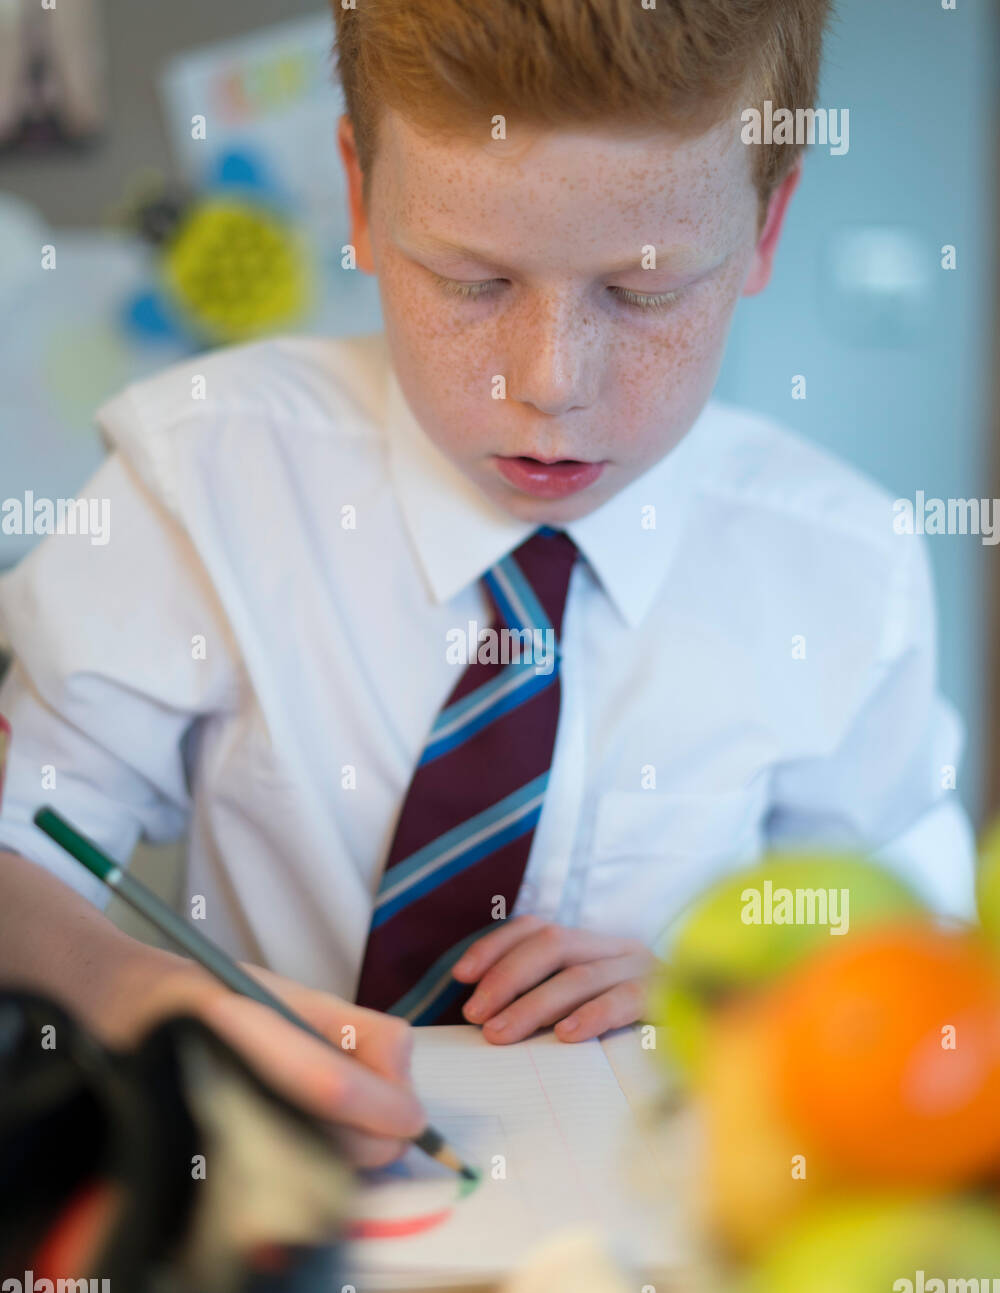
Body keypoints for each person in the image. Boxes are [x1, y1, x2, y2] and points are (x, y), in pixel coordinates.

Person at [0, 0, 974, 1165]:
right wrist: (144, 995)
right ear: (361, 198)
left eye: (646, 290)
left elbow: (916, 953)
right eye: (468, 279)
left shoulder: (841, 570)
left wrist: (726, 993)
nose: (550, 382)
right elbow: (21, 858)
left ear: (767, 223)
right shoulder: (197, 480)